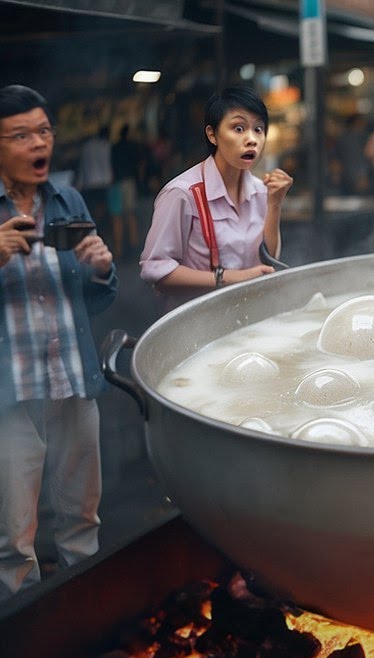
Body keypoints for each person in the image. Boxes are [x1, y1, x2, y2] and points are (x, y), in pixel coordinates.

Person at [0, 85, 117, 601]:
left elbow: (94, 299)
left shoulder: (68, 200)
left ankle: (84, 614)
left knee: (81, 518)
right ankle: (23, 632)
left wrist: (101, 270)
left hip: (72, 378)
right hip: (11, 394)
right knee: (14, 533)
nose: (37, 144)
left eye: (43, 132)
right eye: (20, 135)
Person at [139, 86, 292, 314]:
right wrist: (229, 278)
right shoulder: (183, 193)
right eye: (238, 128)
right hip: (196, 323)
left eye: (258, 129)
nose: (251, 139)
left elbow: (268, 261)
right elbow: (157, 271)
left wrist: (275, 203)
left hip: (247, 315)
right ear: (212, 134)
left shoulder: (261, 191)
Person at [108, 123, 145, 256]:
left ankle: (118, 249)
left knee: (117, 217)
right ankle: (134, 245)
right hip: (129, 182)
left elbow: (111, 167)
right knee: (131, 214)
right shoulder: (133, 146)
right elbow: (139, 164)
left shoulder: (114, 147)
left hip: (116, 183)